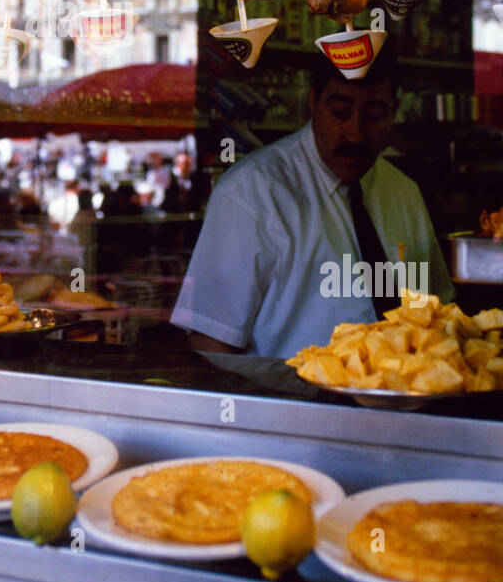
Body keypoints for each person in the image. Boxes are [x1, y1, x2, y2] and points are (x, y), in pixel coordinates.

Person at [170, 40, 454, 357]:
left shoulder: (403, 194)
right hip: (289, 403)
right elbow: (212, 341)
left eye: (374, 115)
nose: (356, 133)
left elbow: (438, 315)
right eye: (340, 113)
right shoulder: (252, 192)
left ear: (395, 111)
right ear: (313, 101)